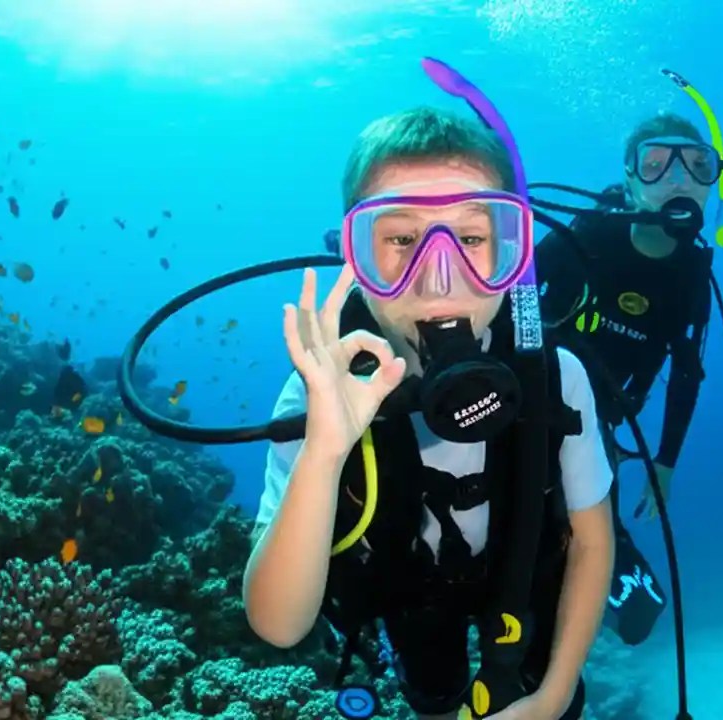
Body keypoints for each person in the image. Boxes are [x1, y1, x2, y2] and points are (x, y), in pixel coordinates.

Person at [243, 60, 615, 720]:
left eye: (472, 238)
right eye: (400, 241)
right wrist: (325, 450)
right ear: (355, 260)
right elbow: (278, 625)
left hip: (524, 583)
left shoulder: (559, 377)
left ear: (512, 257)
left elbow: (590, 540)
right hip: (411, 591)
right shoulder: (318, 394)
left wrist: (555, 694)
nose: (439, 281)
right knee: (434, 695)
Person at [535, 111, 719, 520]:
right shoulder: (587, 235)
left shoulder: (691, 275)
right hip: (531, 397)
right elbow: (513, 296)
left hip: (604, 424)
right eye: (654, 166)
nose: (678, 180)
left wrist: (666, 462)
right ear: (630, 180)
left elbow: (687, 373)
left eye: (698, 165)